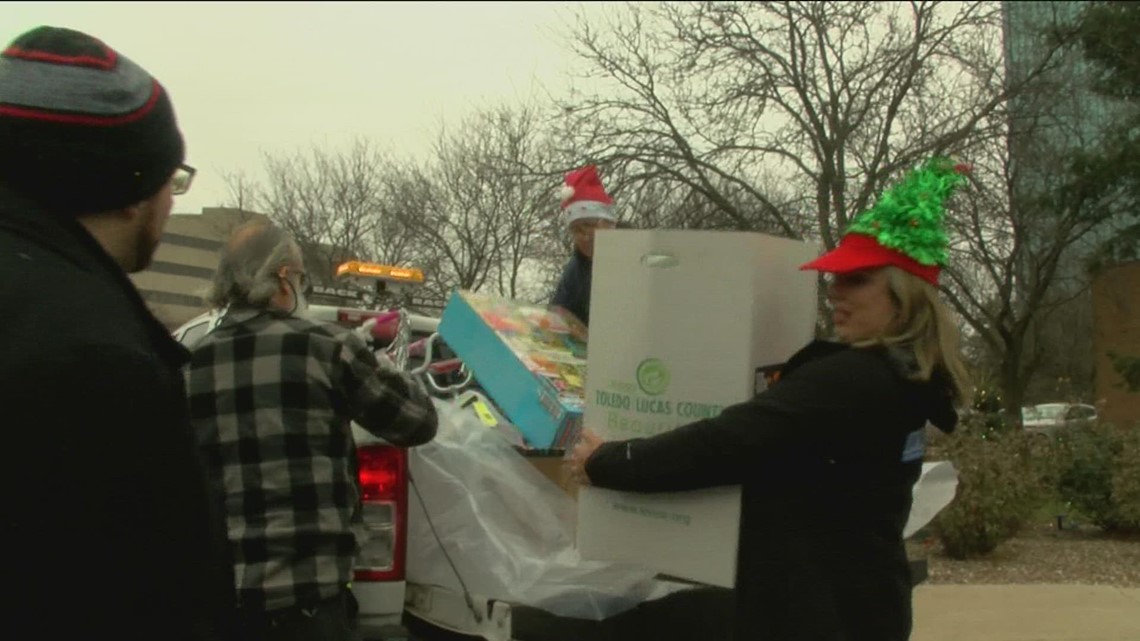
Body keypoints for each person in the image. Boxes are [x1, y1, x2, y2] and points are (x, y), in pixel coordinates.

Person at [568, 157, 974, 641]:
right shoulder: (908, 376)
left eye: (857, 279)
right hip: (865, 604)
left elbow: (728, 443)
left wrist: (609, 461)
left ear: (904, 294)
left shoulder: (853, 381)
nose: (835, 293)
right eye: (835, 279)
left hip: (819, 615)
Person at [0, 26, 235, 640]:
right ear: (129, 189)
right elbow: (142, 596)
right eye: (172, 181)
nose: (172, 204)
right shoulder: (92, 357)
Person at [187, 221, 439, 641]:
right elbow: (417, 422)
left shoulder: (189, 360)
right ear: (285, 278)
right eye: (302, 277)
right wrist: (395, 365)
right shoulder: (326, 347)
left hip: (220, 599)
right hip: (308, 600)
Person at [550, 164, 619, 326]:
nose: (585, 237)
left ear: (609, 224)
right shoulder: (575, 270)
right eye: (576, 230)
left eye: (589, 225)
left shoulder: (639, 256)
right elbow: (559, 312)